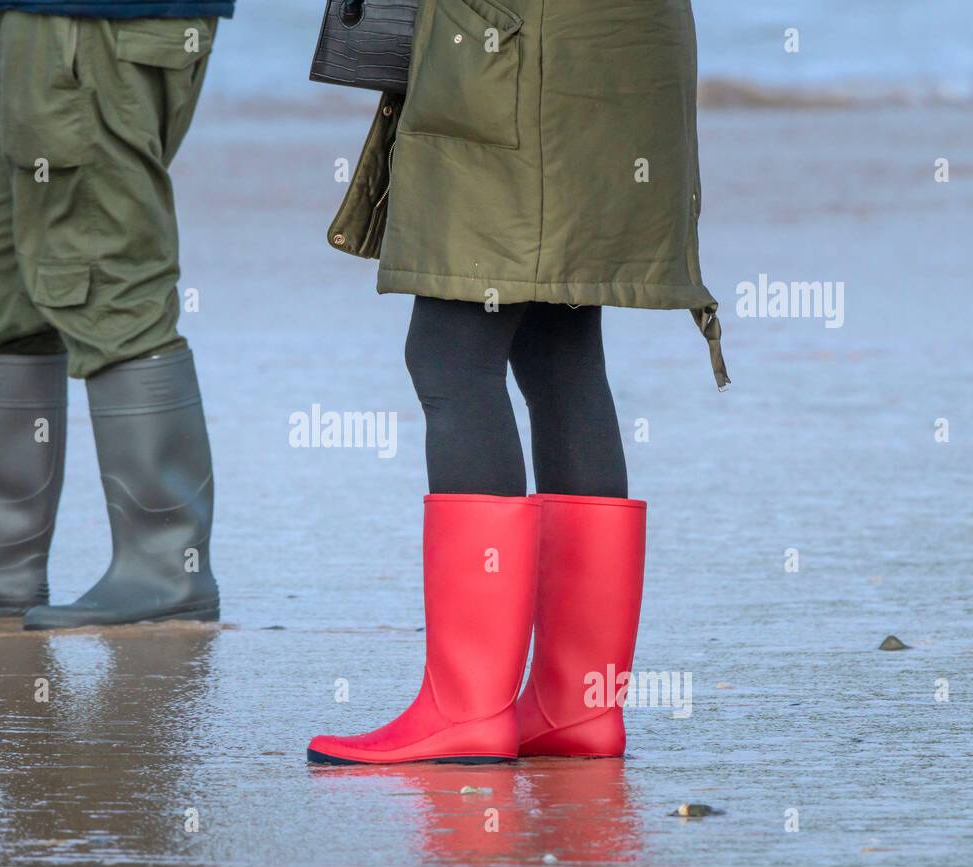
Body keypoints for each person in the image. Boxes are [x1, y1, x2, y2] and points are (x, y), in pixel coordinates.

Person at [308, 0, 727, 764]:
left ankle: (467, 707)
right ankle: (577, 706)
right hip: (624, 51)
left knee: (451, 355)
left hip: (514, 45)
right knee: (559, 350)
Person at [0, 0, 236, 628]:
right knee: (6, 283)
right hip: (36, 17)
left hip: (96, 21)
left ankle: (167, 567)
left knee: (100, 273)